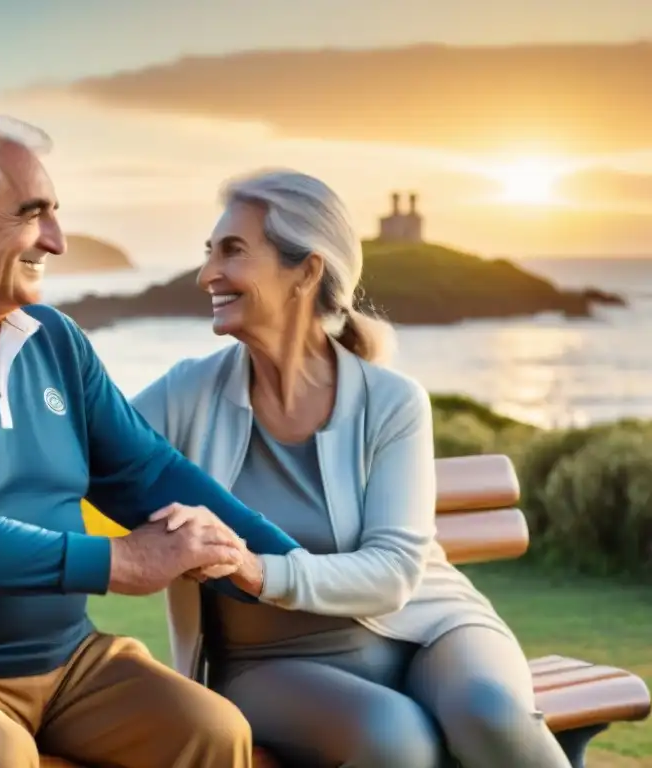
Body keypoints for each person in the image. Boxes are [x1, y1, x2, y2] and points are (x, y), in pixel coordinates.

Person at [0, 113, 301, 768]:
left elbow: (147, 472)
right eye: (33, 214)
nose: (58, 241)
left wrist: (293, 568)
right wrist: (118, 562)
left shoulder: (53, 339)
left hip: (70, 663)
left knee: (210, 728)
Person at [132, 170, 572, 768]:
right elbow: (82, 451)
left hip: (430, 630)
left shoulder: (391, 401)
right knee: (397, 741)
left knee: (492, 712)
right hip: (270, 666)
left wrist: (261, 571)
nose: (208, 274)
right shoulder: (187, 393)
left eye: (232, 251)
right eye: (209, 253)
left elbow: (393, 572)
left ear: (306, 272)